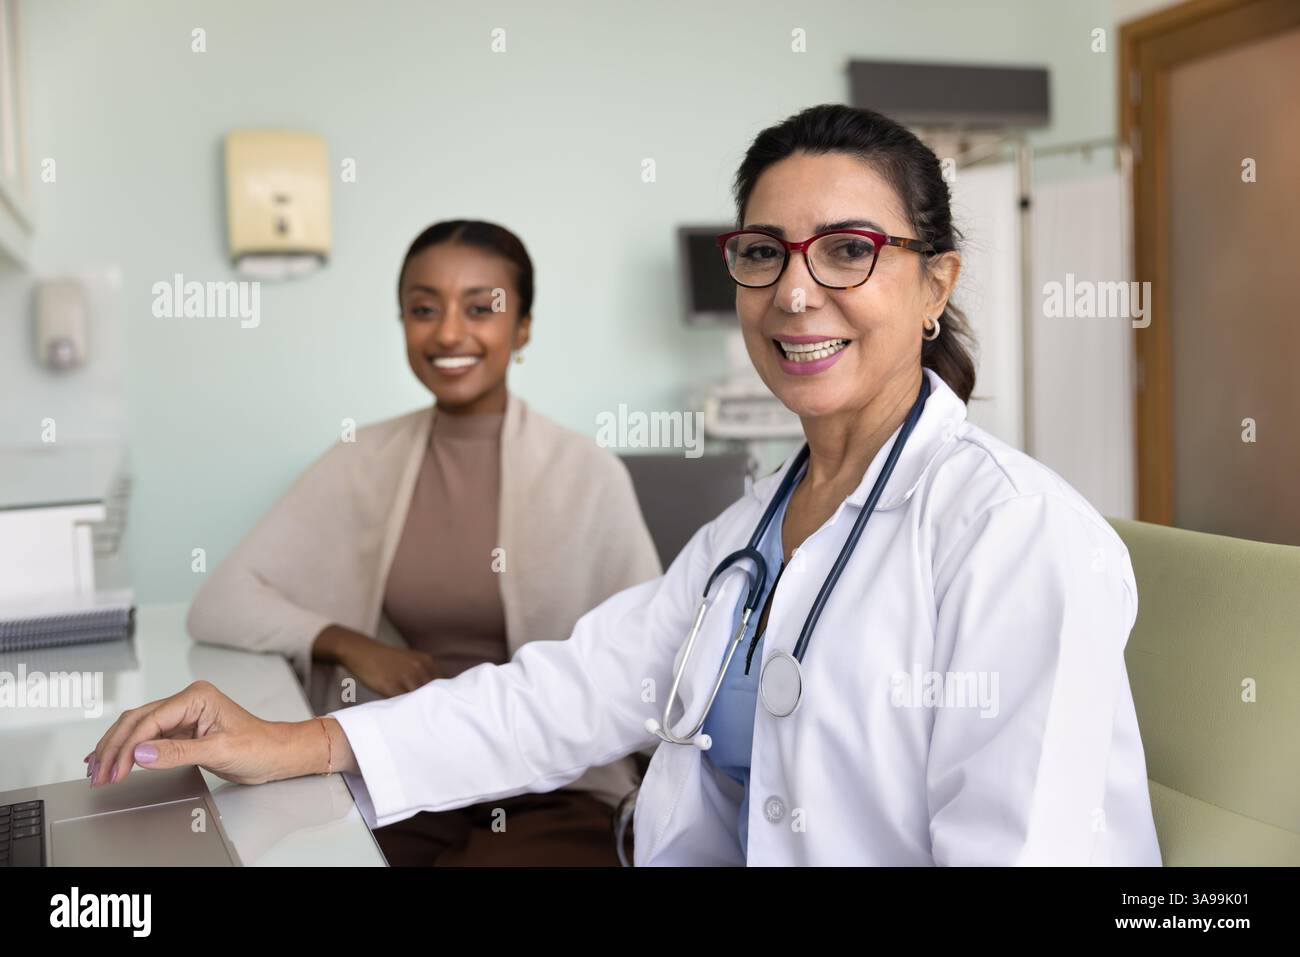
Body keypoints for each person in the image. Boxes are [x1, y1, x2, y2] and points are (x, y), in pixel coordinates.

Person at [87, 105, 1161, 866]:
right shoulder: (751, 535)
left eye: (848, 251)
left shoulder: (1014, 537)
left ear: (935, 283)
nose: (794, 291)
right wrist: (296, 742)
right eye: (763, 253)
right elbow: (566, 692)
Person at [183, 220, 661, 865]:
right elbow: (219, 603)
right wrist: (354, 648)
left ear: (522, 329)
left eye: (481, 308)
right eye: (423, 309)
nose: (448, 333)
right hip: (402, 764)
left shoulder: (588, 474)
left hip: (551, 781)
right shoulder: (362, 458)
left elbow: (647, 669)